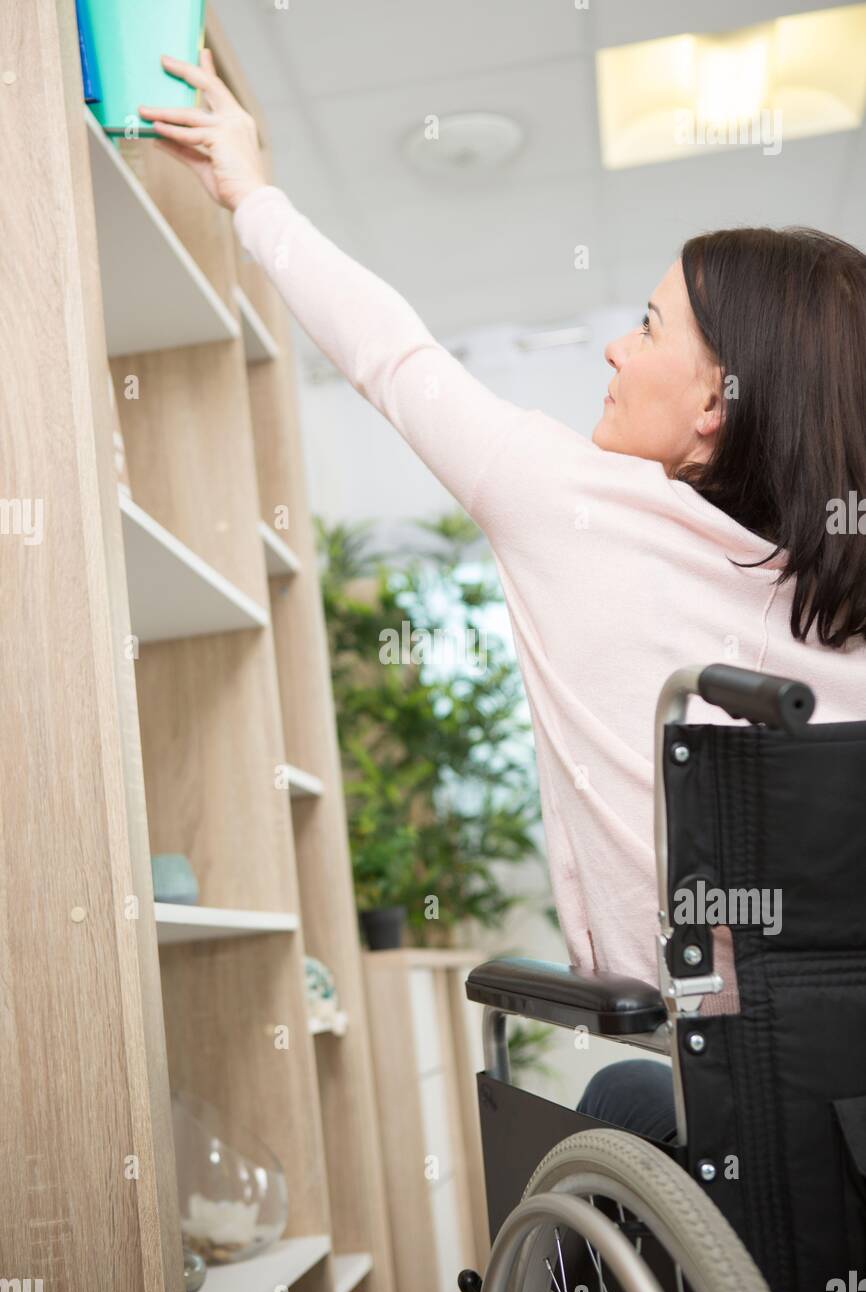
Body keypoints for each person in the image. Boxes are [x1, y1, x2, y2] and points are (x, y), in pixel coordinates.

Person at [140, 53, 866, 1131]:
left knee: (619, 1088)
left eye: (649, 325)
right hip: (840, 1108)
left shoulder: (572, 507)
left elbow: (392, 356)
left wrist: (250, 192)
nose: (616, 348)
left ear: (718, 399)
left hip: (729, 1098)